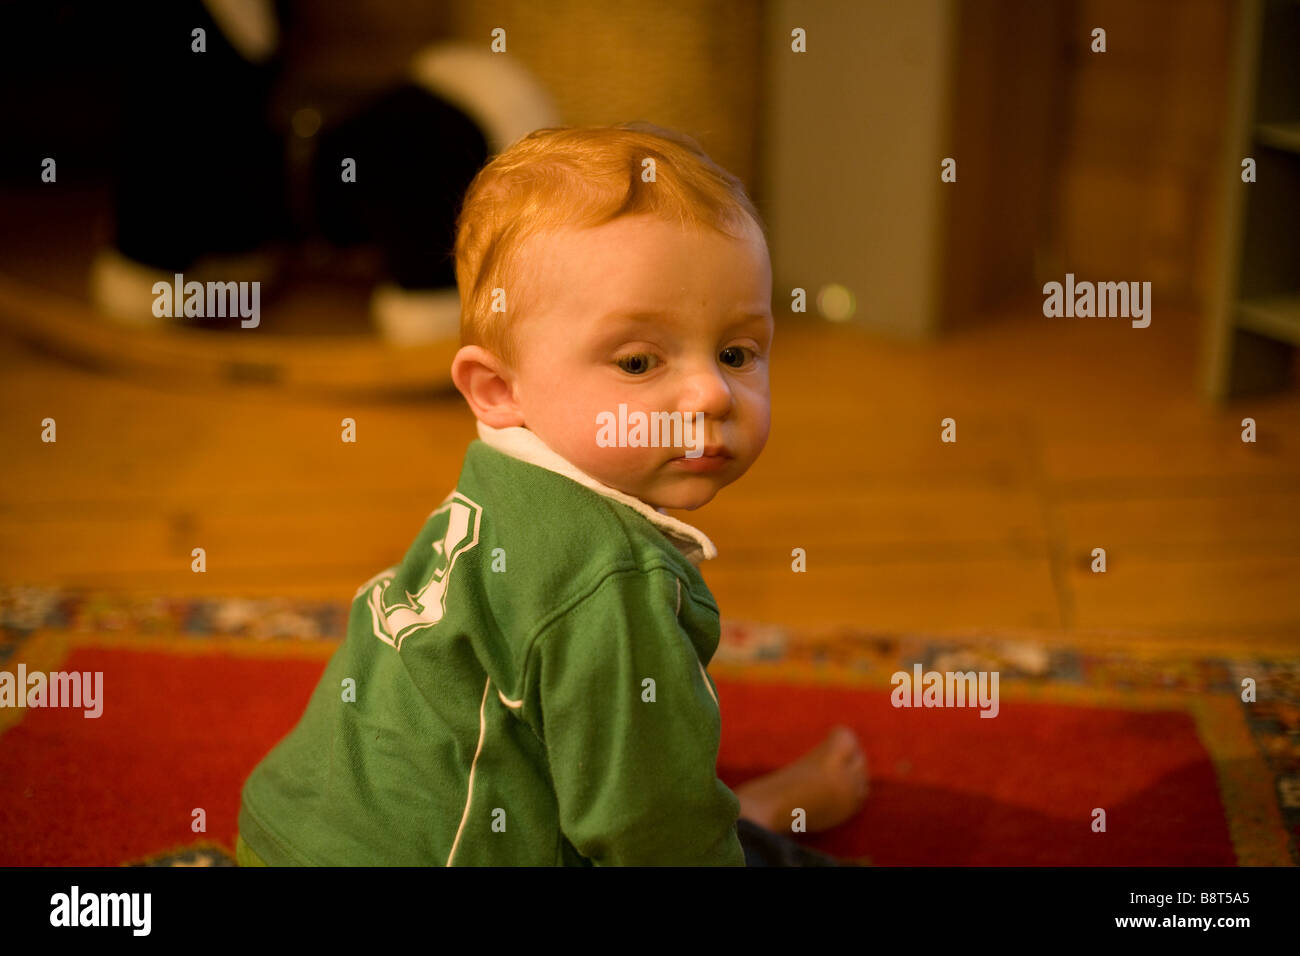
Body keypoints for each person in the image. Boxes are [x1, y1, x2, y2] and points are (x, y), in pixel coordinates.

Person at [237, 122, 866, 866]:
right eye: (638, 361)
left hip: (283, 838)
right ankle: (751, 825)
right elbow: (654, 841)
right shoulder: (612, 583)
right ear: (498, 389)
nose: (709, 392)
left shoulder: (501, 481)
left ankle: (739, 815)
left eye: (737, 352)